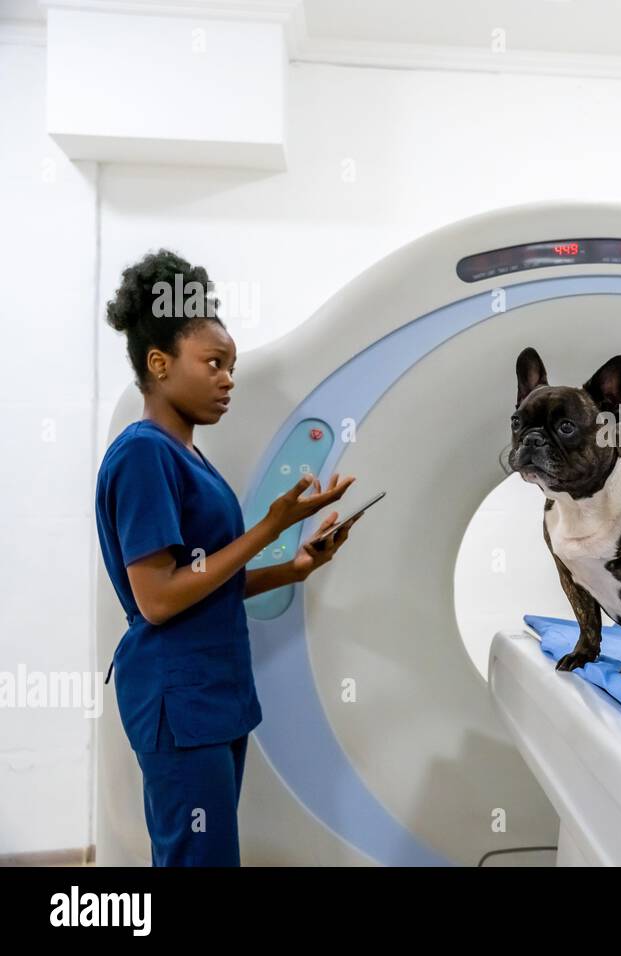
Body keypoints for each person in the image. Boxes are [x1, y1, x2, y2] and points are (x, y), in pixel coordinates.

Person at [95, 249, 362, 864]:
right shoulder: (144, 455)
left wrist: (293, 568)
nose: (228, 379)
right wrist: (270, 526)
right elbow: (159, 598)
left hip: (212, 697)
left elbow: (203, 582)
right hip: (178, 698)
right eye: (213, 363)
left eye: (232, 366)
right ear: (159, 365)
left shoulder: (187, 457)